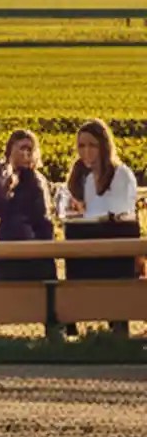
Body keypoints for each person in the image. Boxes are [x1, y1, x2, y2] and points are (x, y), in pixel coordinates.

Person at [61, 118, 142, 338]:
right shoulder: (83, 177)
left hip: (116, 243)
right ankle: (72, 323)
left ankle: (117, 328)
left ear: (104, 146)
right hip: (89, 240)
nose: (86, 151)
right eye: (81, 146)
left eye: (92, 145)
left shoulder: (121, 174)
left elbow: (121, 212)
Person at [0, 129, 57, 281]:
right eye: (21, 148)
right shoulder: (3, 176)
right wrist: (3, 174)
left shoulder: (38, 180)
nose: (25, 154)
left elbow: (44, 221)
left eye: (29, 149)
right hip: (8, 252)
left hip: (35, 256)